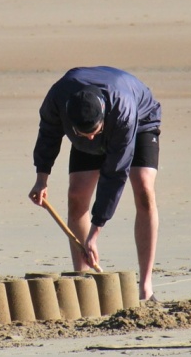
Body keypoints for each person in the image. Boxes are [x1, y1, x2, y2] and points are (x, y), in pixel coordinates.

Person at [29, 66, 161, 301]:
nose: (91, 138)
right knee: (76, 195)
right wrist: (41, 179)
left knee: (143, 189)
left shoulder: (123, 111)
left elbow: (115, 174)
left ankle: (146, 287)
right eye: (84, 134)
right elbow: (48, 133)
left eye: (94, 132)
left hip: (140, 121)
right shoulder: (58, 97)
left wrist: (95, 232)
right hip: (89, 119)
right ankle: (84, 284)